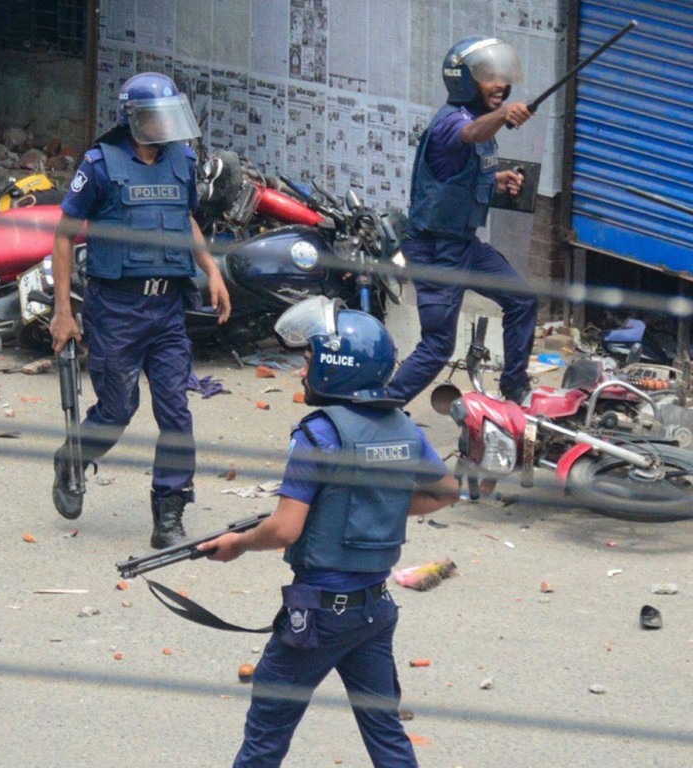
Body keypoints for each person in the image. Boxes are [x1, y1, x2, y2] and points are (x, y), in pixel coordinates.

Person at [198, 295, 460, 768]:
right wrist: (373, 510)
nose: (303, 371)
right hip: (374, 612)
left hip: (320, 617)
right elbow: (446, 492)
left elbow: (284, 529)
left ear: (336, 367)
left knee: (266, 732)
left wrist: (236, 544)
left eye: (311, 360)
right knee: (386, 735)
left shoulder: (319, 434)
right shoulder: (404, 427)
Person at [49, 72, 231, 549]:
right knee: (117, 409)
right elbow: (65, 235)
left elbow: (185, 218)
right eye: (156, 116)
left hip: (168, 308)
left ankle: (169, 512)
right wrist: (63, 312)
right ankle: (74, 455)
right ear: (133, 118)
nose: (166, 125)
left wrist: (210, 268)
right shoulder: (101, 164)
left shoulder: (182, 160)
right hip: (116, 309)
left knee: (176, 412)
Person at [386, 36, 539, 406]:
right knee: (438, 346)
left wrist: (498, 181)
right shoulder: (452, 123)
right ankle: (378, 409)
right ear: (464, 80)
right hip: (436, 251)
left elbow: (459, 173)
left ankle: (514, 388)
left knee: (523, 299)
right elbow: (467, 136)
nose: (500, 85)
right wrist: (504, 116)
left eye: (502, 76)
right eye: (489, 76)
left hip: (464, 246)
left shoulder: (477, 121)